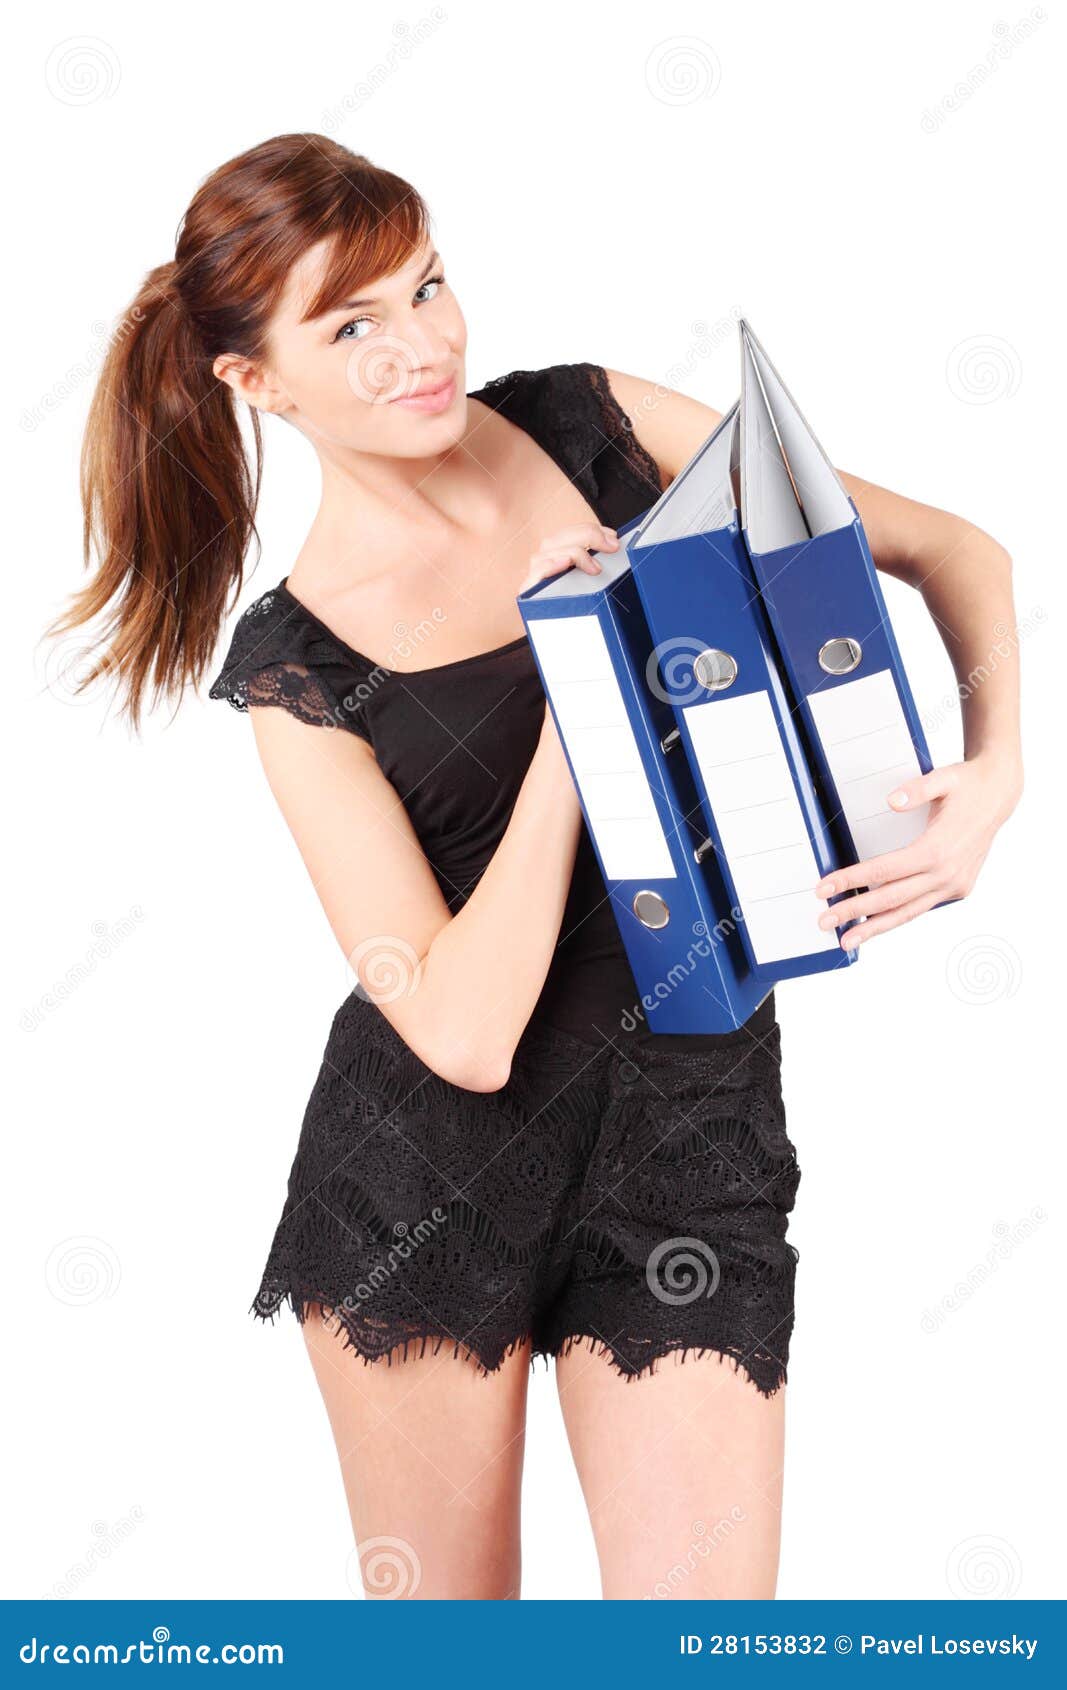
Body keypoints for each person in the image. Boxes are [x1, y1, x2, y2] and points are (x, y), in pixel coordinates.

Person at [52, 133, 1022, 1600]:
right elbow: (462, 1029)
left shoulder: (595, 424)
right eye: (351, 327)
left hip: (694, 1125)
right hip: (426, 1187)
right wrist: (590, 704)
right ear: (259, 381)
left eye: (427, 285)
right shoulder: (298, 668)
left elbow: (955, 549)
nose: (423, 346)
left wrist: (992, 778)